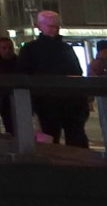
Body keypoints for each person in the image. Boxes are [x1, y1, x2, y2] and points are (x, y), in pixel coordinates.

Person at [18, 9, 90, 148]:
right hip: (60, 102)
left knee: (52, 140)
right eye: (51, 26)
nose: (54, 30)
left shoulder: (32, 49)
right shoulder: (64, 48)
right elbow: (76, 72)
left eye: (56, 26)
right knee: (71, 139)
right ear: (40, 26)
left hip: (52, 102)